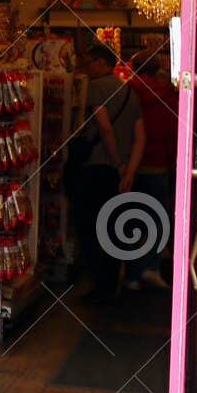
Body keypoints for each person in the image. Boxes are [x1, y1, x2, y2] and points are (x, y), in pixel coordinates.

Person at [72, 44, 145, 304]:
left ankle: (99, 287)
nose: (85, 67)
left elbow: (104, 127)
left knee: (91, 229)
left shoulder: (96, 87)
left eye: (89, 62)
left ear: (102, 63)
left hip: (97, 169)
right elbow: (140, 138)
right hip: (120, 174)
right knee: (113, 228)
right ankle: (112, 282)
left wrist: (116, 163)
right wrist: (129, 171)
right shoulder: (130, 93)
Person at [125, 52, 177, 291]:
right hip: (159, 165)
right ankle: (151, 267)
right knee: (157, 220)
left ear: (133, 68)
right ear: (157, 71)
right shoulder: (168, 96)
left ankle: (132, 274)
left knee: (131, 221)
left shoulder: (126, 91)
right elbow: (174, 132)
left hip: (132, 165)